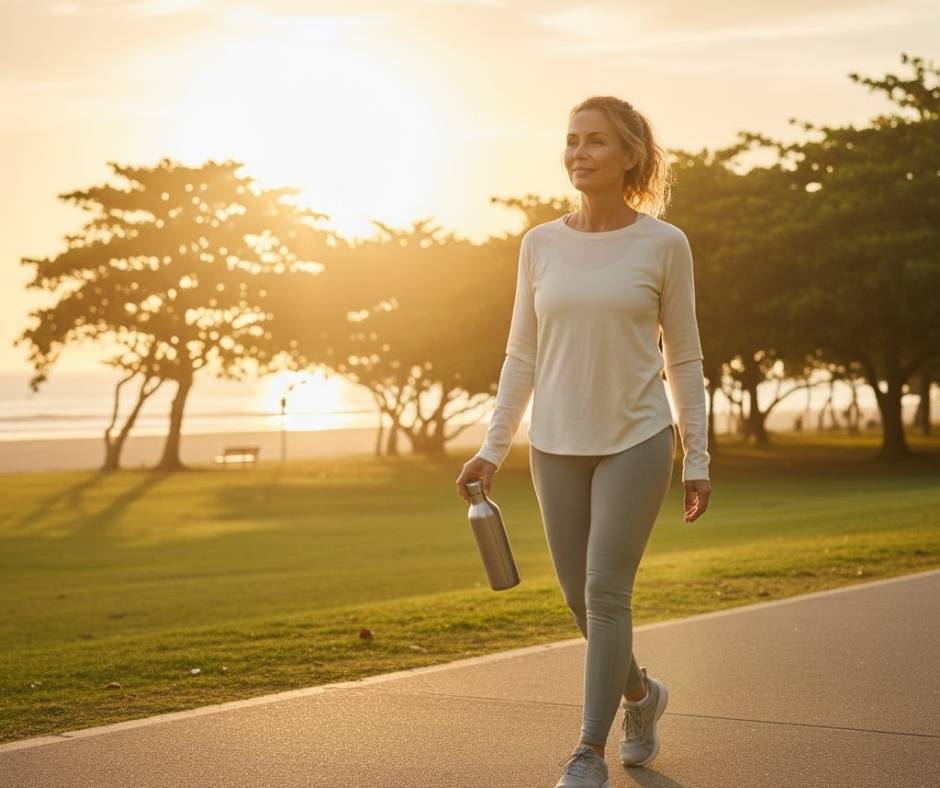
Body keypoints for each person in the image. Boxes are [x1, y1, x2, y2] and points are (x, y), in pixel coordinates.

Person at [456, 96, 711, 787]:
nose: (579, 152)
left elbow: (682, 358)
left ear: (630, 154)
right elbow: (521, 355)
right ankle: (641, 695)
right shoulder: (539, 244)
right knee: (579, 598)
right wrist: (493, 445)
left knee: (605, 592)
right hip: (556, 444)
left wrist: (697, 453)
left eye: (596, 141)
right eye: (571, 140)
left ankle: (586, 752)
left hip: (637, 438)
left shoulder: (664, 244)